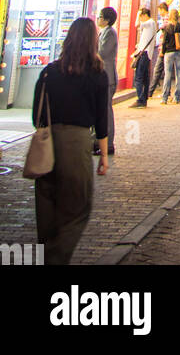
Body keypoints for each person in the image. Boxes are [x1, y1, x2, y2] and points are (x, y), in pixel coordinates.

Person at [31, 17, 110, 265]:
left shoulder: (49, 72)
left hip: (47, 142)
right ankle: (56, 258)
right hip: (77, 144)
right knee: (78, 208)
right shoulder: (97, 74)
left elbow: (36, 115)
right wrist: (104, 157)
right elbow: (101, 120)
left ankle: (47, 256)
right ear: (92, 42)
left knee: (47, 208)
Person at [96, 7, 118, 155]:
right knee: (100, 110)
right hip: (102, 75)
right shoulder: (104, 32)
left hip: (107, 76)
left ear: (107, 20)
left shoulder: (110, 33)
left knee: (106, 111)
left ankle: (108, 144)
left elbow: (102, 52)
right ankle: (98, 142)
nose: (98, 19)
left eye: (100, 17)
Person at [130, 8, 157, 108]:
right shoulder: (151, 24)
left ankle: (140, 99)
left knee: (139, 77)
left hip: (144, 53)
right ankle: (144, 99)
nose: (140, 18)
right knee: (145, 77)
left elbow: (136, 24)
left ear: (144, 15)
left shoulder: (150, 22)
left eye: (141, 16)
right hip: (145, 53)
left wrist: (137, 14)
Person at [160, 8, 180, 105]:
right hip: (179, 51)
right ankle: (176, 98)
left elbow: (164, 41)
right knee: (179, 74)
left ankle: (164, 98)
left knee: (168, 75)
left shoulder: (167, 27)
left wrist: (162, 52)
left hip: (169, 52)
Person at [148, 3, 169, 98]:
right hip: (165, 48)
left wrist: (162, 49)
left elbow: (165, 35)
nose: (159, 13)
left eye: (160, 11)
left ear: (162, 10)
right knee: (164, 71)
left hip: (164, 49)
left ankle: (150, 91)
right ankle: (165, 92)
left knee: (158, 70)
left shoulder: (166, 19)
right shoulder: (168, 19)